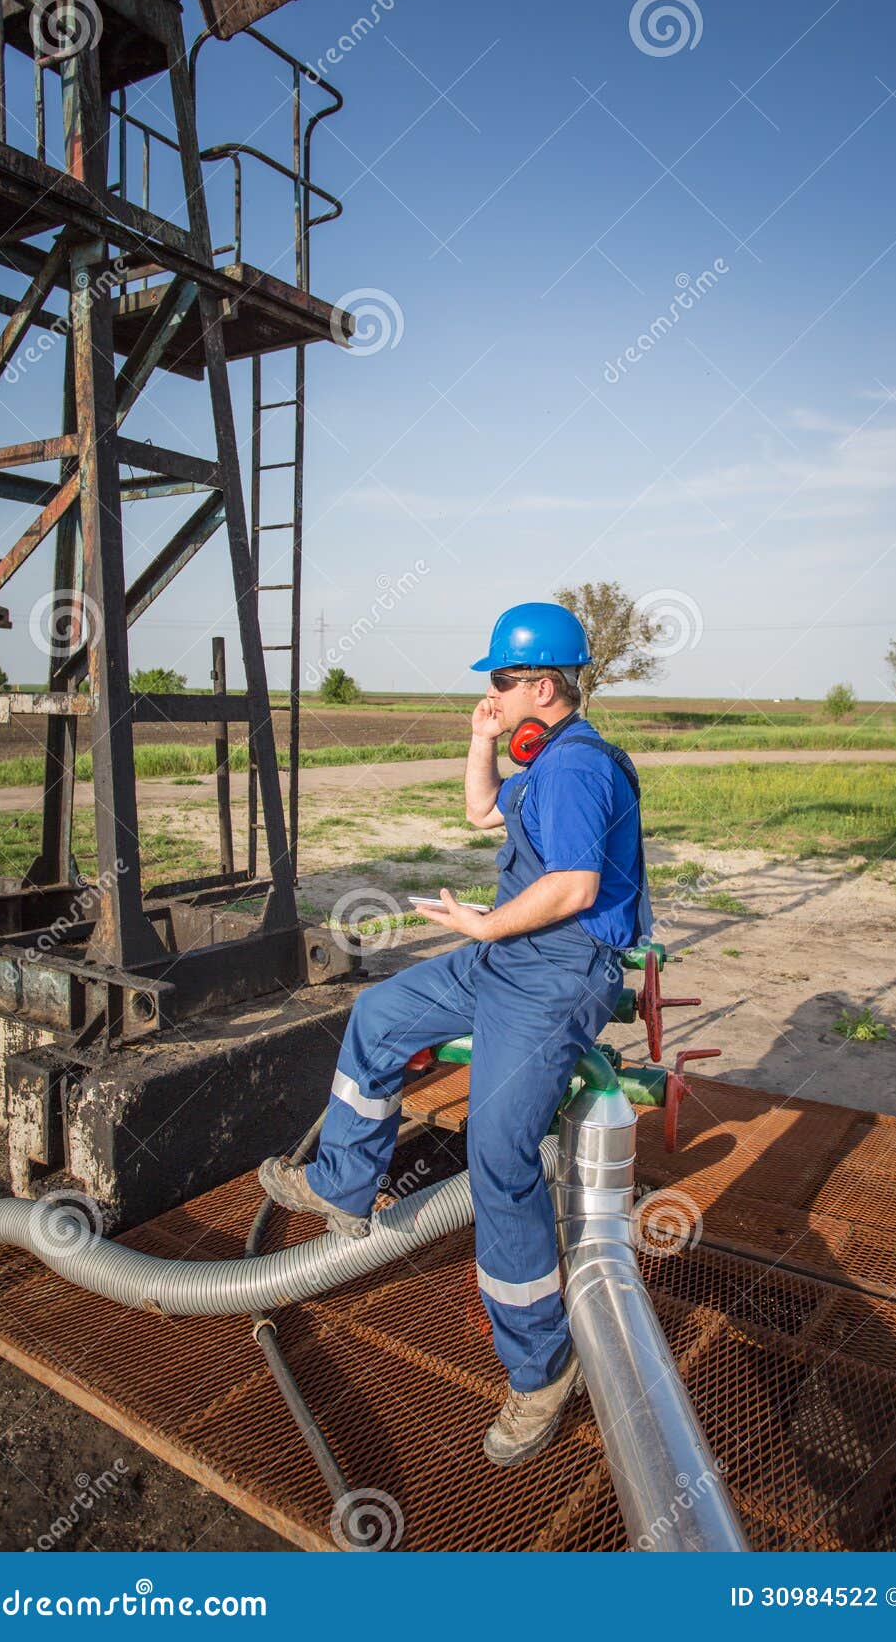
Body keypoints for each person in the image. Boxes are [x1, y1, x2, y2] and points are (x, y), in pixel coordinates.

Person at [259, 602, 653, 1467]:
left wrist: (482, 928)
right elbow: (483, 815)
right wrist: (479, 737)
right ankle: (344, 1187)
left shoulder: (578, 769)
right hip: (509, 954)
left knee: (501, 1157)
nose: (491, 690)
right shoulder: (540, 755)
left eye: (502, 682)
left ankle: (540, 1369)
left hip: (555, 973)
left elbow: (579, 885)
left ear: (543, 686)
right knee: (378, 1015)